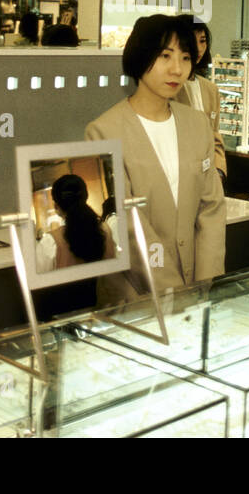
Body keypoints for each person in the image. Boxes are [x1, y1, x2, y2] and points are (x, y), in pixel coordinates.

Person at [85, 15, 225, 297]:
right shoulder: (103, 132)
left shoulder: (197, 124)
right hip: (133, 294)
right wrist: (172, 289)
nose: (177, 69)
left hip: (196, 288)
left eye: (186, 58)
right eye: (165, 56)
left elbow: (211, 207)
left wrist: (204, 280)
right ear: (140, 56)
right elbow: (126, 225)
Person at [33, 174, 118, 318]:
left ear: (56, 206)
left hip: (65, 317)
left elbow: (39, 286)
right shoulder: (105, 229)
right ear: (86, 197)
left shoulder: (50, 242)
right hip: (106, 310)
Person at [173, 15, 227, 180]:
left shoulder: (210, 89)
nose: (198, 48)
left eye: (203, 41)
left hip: (208, 178)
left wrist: (219, 171)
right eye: (191, 40)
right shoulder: (169, 88)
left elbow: (215, 136)